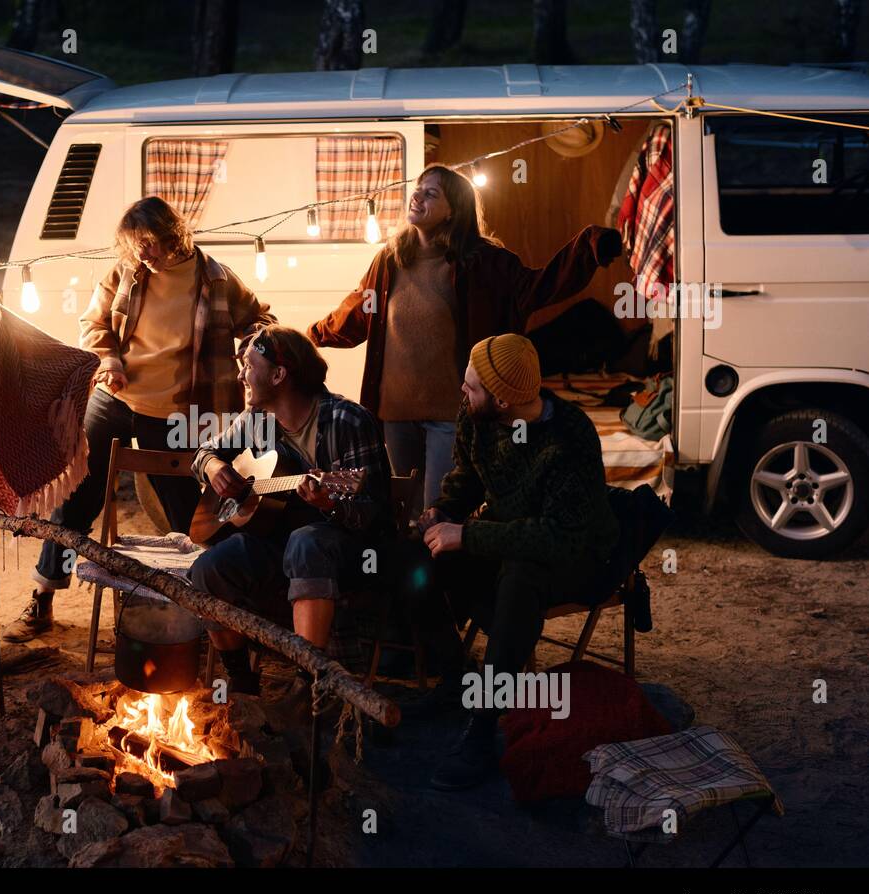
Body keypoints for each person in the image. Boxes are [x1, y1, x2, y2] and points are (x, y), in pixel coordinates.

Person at [2, 196, 276, 640]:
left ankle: (210, 609)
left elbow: (262, 319)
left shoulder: (217, 279)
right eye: (133, 246)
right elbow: (93, 324)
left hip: (175, 414)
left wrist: (253, 344)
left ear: (173, 236)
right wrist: (108, 357)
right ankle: (44, 597)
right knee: (76, 498)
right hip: (115, 398)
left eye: (147, 244)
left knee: (186, 516)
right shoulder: (126, 272)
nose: (141, 254)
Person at [308, 163, 622, 514]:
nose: (417, 196)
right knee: (403, 509)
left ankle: (444, 567)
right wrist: (308, 337)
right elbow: (356, 314)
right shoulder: (389, 261)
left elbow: (538, 287)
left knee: (437, 509)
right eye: (418, 188)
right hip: (394, 414)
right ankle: (406, 569)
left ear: (452, 210)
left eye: (431, 193)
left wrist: (588, 248)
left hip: (450, 415)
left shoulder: (484, 263)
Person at [419, 334, 619, 791]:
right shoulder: (479, 415)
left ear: (504, 399)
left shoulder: (570, 438)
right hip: (508, 540)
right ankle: (455, 680)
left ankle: (484, 725)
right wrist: (443, 513)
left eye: (471, 388)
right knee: (417, 558)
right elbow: (468, 477)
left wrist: (467, 535)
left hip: (577, 556)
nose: (462, 394)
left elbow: (558, 537)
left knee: (521, 579)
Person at [188, 326, 393, 694]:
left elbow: (372, 515)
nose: (240, 375)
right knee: (208, 568)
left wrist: (328, 502)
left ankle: (308, 681)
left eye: (249, 365)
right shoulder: (256, 421)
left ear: (279, 375)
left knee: (306, 541)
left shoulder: (348, 421)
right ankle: (242, 680)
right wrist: (215, 469)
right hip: (282, 549)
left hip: (352, 555)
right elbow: (203, 453)